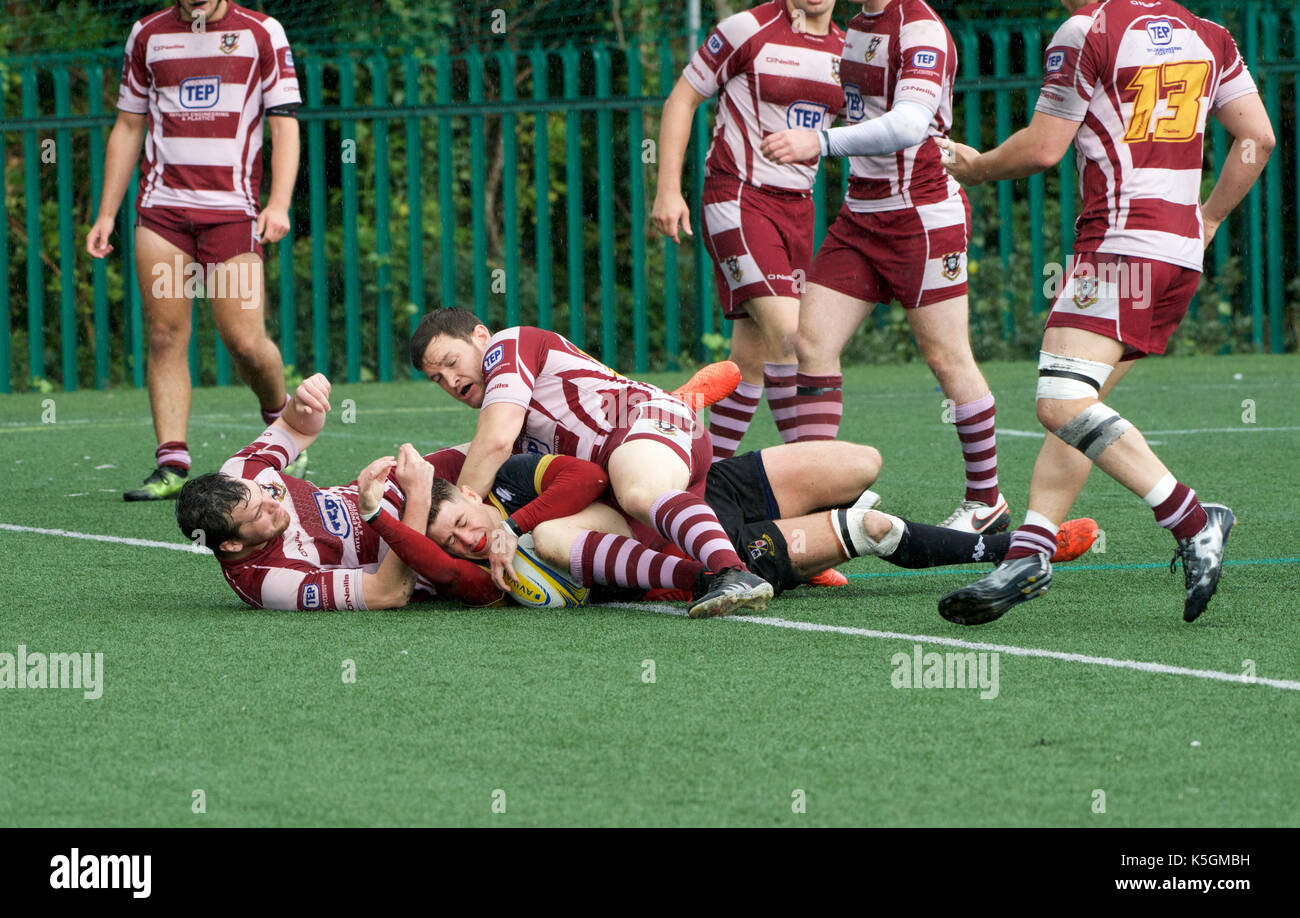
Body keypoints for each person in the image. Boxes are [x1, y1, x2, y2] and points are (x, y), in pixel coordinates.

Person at [936, 0, 1273, 625]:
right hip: (1176, 256)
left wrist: (976, 167)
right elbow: (1258, 138)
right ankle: (1030, 551)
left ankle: (1195, 521)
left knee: (1060, 404)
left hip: (1120, 251)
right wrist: (1211, 218)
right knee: (1077, 411)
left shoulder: (1087, 30)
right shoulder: (1210, 34)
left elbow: (1042, 149)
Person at [760, 0, 1008, 536]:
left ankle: (986, 501)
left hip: (920, 217)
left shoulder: (920, 28)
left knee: (947, 357)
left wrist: (819, 141)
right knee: (811, 344)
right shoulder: (860, 24)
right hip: (861, 217)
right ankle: (817, 498)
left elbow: (909, 124)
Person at [423, 442, 1100, 614]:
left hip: (703, 489)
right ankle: (1020, 547)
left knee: (862, 462)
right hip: (684, 544)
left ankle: (795, 559)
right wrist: (375, 513)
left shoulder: (508, 472)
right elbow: (432, 580)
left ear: (470, 493)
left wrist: (509, 518)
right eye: (448, 541)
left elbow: (587, 478)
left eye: (458, 521)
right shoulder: (501, 565)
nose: (463, 538)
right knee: (874, 527)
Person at [410, 308, 774, 618]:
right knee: (550, 538)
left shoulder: (507, 345)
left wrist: (478, 510)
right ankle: (702, 580)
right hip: (628, 477)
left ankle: (733, 571)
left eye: (452, 363)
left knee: (636, 491)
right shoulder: (513, 418)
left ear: (480, 335)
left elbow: (493, 443)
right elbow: (473, 453)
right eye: (436, 378)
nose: (450, 380)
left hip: (643, 421)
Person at [86, 0, 303, 501]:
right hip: (162, 212)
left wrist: (279, 203)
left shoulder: (262, 32)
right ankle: (171, 463)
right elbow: (128, 126)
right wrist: (105, 214)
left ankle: (281, 420)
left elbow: (284, 123)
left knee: (245, 343)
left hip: (233, 213)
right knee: (164, 335)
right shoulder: (147, 34)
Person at [652, 0, 845, 462]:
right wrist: (666, 190)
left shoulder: (849, 48)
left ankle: (699, 468)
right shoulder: (747, 29)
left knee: (749, 361)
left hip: (799, 209)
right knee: (794, 338)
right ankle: (815, 473)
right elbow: (682, 98)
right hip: (737, 197)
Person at [175, 374, 502, 610]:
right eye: (260, 513)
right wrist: (416, 501)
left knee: (502, 445)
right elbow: (388, 594)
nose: (273, 502)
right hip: (421, 541)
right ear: (231, 543)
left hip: (400, 486)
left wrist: (306, 402)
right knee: (527, 552)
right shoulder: (270, 582)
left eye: (264, 493)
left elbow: (295, 428)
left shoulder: (241, 472)